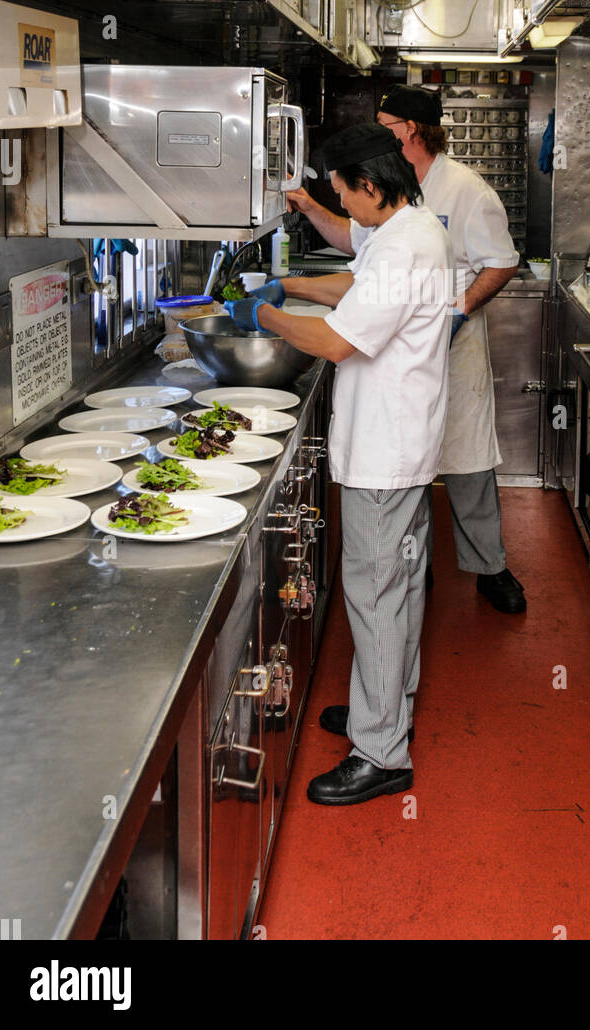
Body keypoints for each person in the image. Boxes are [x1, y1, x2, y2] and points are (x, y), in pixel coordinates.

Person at [227, 122, 453, 804]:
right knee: (401, 587)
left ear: (372, 185)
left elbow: (335, 342)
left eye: (343, 195)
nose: (342, 207)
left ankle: (381, 753)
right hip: (401, 446)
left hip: (386, 454)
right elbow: (352, 288)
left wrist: (262, 317)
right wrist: (285, 284)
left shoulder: (406, 245)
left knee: (377, 596)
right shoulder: (405, 229)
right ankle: (385, 710)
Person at [286, 85, 526, 615]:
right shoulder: (388, 192)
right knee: (412, 469)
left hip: (451, 343)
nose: (380, 131)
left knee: (465, 461)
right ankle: (416, 564)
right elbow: (360, 244)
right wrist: (308, 207)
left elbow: (502, 261)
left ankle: (489, 567)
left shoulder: (466, 189)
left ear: (410, 131)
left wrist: (458, 309)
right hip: (401, 345)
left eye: (386, 123)